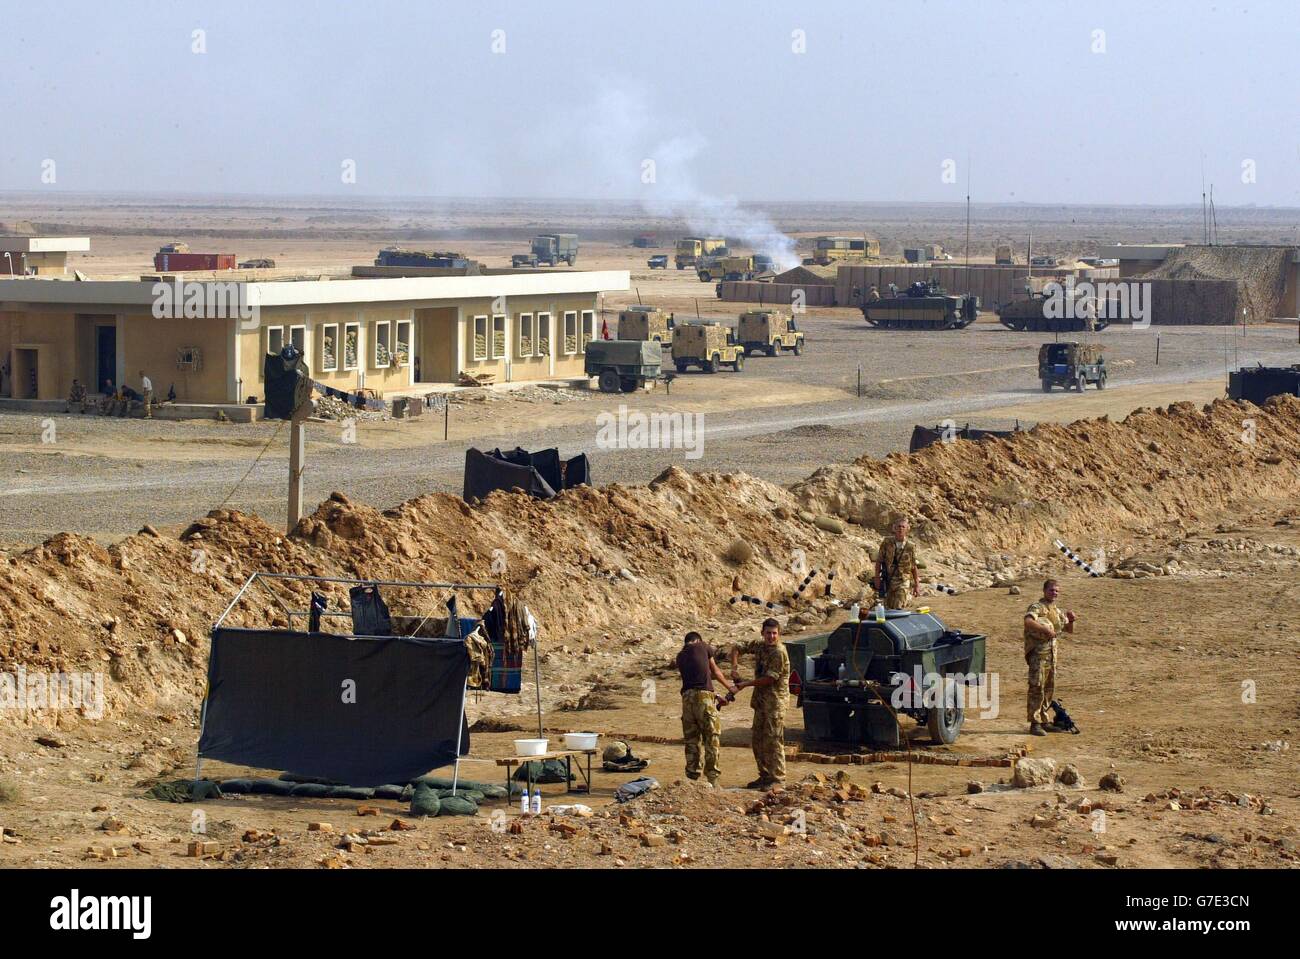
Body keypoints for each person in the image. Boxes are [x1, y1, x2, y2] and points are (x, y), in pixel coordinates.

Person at [729, 618, 790, 789]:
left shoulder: (779, 652)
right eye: (768, 633)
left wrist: (745, 683)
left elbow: (770, 678)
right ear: (762, 633)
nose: (771, 636)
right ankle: (764, 776)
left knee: (774, 740)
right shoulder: (760, 646)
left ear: (779, 634)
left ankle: (778, 779)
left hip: (775, 703)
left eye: (774, 633)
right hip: (762, 702)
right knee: (758, 740)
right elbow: (737, 647)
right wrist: (734, 668)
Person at [675, 631, 736, 787]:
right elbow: (714, 671)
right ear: (698, 640)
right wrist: (730, 687)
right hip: (704, 699)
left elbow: (696, 682)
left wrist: (715, 696)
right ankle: (713, 780)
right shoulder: (703, 646)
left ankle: (691, 780)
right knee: (711, 738)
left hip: (687, 700)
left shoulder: (680, 656)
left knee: (692, 741)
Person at [1023, 578, 1077, 736]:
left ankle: (1044, 720)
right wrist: (1044, 630)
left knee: (1048, 688)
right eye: (1051, 590)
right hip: (1038, 655)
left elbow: (1068, 630)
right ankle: (1035, 723)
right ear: (1044, 590)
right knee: (1036, 687)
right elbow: (1028, 621)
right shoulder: (1037, 607)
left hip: (1051, 656)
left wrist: (1072, 620)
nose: (1054, 593)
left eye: (1056, 591)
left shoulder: (1056, 610)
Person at [874, 516, 920, 609]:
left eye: (903, 527)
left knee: (899, 606)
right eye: (898, 526)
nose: (900, 529)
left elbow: (913, 566)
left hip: (903, 580)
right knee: (888, 607)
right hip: (889, 580)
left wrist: (917, 585)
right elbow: (879, 561)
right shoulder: (887, 542)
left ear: (907, 529)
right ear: (894, 528)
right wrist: (877, 578)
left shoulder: (910, 546)